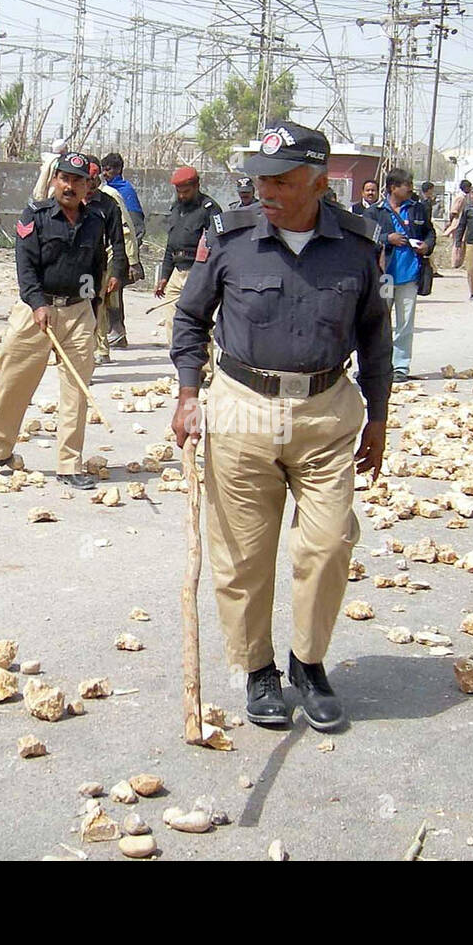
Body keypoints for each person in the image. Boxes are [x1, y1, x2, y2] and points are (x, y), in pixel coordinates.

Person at [170, 119, 391, 732]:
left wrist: (379, 416)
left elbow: (376, 336)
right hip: (242, 406)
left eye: (282, 179)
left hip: (326, 412)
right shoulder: (230, 239)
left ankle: (309, 662)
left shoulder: (356, 244)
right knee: (243, 554)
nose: (265, 188)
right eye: (258, 177)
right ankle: (258, 668)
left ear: (319, 182)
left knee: (327, 544)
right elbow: (189, 320)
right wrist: (190, 393)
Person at [0, 152, 110, 489]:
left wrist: (91, 306)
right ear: (53, 181)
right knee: (14, 381)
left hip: (77, 312)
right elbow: (25, 267)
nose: (70, 186)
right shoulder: (35, 216)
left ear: (86, 186)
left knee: (77, 390)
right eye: (64, 178)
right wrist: (37, 303)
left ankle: (69, 464)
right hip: (35, 312)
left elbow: (95, 266)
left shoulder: (94, 220)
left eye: (77, 180)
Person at [366, 166, 434, 381]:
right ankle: (376, 365)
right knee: (379, 322)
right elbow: (366, 237)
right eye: (407, 186)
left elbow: (430, 232)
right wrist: (388, 238)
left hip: (409, 276)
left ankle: (400, 367)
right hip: (384, 276)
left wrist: (427, 245)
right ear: (393, 187)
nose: (411, 190)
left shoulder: (417, 209)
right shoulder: (375, 212)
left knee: (405, 323)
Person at [153, 166, 222, 348]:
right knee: (171, 320)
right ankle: (181, 366)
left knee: (198, 323)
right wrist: (164, 277)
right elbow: (171, 244)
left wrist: (207, 275)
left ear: (197, 186)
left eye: (186, 192)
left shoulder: (210, 209)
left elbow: (218, 245)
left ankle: (203, 373)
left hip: (198, 271)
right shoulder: (176, 208)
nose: (182, 196)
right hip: (177, 271)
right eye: (179, 192)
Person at [84, 156, 132, 365]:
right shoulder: (72, 202)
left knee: (98, 306)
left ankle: (100, 349)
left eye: (93, 180)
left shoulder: (108, 204)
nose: (90, 184)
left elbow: (118, 240)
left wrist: (117, 273)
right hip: (76, 268)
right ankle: (84, 353)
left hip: (99, 266)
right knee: (82, 308)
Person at [100, 152, 145, 348]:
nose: (105, 173)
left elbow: (135, 226)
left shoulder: (123, 192)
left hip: (119, 251)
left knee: (112, 292)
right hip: (107, 250)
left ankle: (116, 331)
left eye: (108, 169)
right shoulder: (104, 191)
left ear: (119, 170)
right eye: (103, 169)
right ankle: (115, 332)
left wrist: (130, 257)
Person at [441, 179, 472, 269]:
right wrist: (450, 222)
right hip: (458, 223)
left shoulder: (466, 197)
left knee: (462, 242)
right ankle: (455, 262)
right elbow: (454, 211)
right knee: (458, 243)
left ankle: (460, 262)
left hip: (464, 223)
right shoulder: (460, 197)